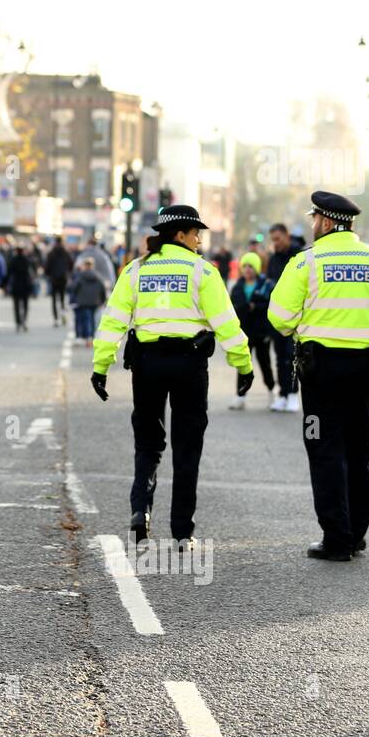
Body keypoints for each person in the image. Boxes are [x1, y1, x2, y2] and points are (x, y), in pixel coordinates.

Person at [91, 205, 253, 548]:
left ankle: (140, 513)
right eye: (196, 233)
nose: (199, 240)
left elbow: (113, 322)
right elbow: (227, 324)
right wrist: (243, 365)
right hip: (189, 366)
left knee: (147, 442)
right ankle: (182, 531)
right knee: (187, 447)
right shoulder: (203, 272)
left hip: (147, 364)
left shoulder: (135, 270)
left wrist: (100, 366)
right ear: (180, 234)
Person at [268, 191, 369, 561]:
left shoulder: (305, 263)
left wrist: (307, 325)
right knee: (359, 451)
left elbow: (278, 316)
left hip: (321, 372)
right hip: (363, 370)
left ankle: (337, 539)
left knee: (324, 450)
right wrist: (365, 327)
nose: (313, 225)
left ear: (327, 222)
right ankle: (356, 534)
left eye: (315, 219)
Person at [227, 251, 276, 410]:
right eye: (245, 266)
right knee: (242, 365)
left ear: (256, 268)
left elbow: (270, 306)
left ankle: (272, 392)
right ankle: (240, 396)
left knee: (264, 364)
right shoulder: (237, 287)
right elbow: (232, 307)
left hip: (261, 333)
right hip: (244, 333)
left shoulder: (265, 285)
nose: (247, 269)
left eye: (251, 266)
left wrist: (256, 306)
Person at [266, 223, 303, 412]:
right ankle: (282, 394)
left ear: (287, 236)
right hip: (278, 316)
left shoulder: (300, 256)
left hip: (296, 317)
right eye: (273, 240)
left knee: (293, 356)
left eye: (278, 239)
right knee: (280, 357)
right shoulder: (273, 259)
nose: (275, 243)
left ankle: (293, 394)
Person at [67, 256, 106, 346]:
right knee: (92, 319)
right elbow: (102, 289)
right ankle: (91, 337)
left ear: (85, 265)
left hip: (83, 301)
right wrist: (102, 300)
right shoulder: (98, 276)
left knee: (86, 319)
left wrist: (75, 296)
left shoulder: (81, 276)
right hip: (95, 301)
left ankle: (87, 336)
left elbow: (74, 288)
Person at [6, 245, 36, 332]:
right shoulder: (27, 260)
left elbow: (9, 273)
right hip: (25, 285)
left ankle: (18, 322)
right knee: (25, 304)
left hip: (16, 285)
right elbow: (32, 272)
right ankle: (24, 320)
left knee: (16, 305)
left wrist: (5, 284)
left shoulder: (13, 260)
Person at [45, 238, 73, 327]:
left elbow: (47, 267)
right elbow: (71, 265)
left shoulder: (51, 254)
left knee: (54, 300)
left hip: (54, 279)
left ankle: (56, 319)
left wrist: (49, 274)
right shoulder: (66, 253)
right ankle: (63, 315)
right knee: (62, 299)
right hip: (63, 279)